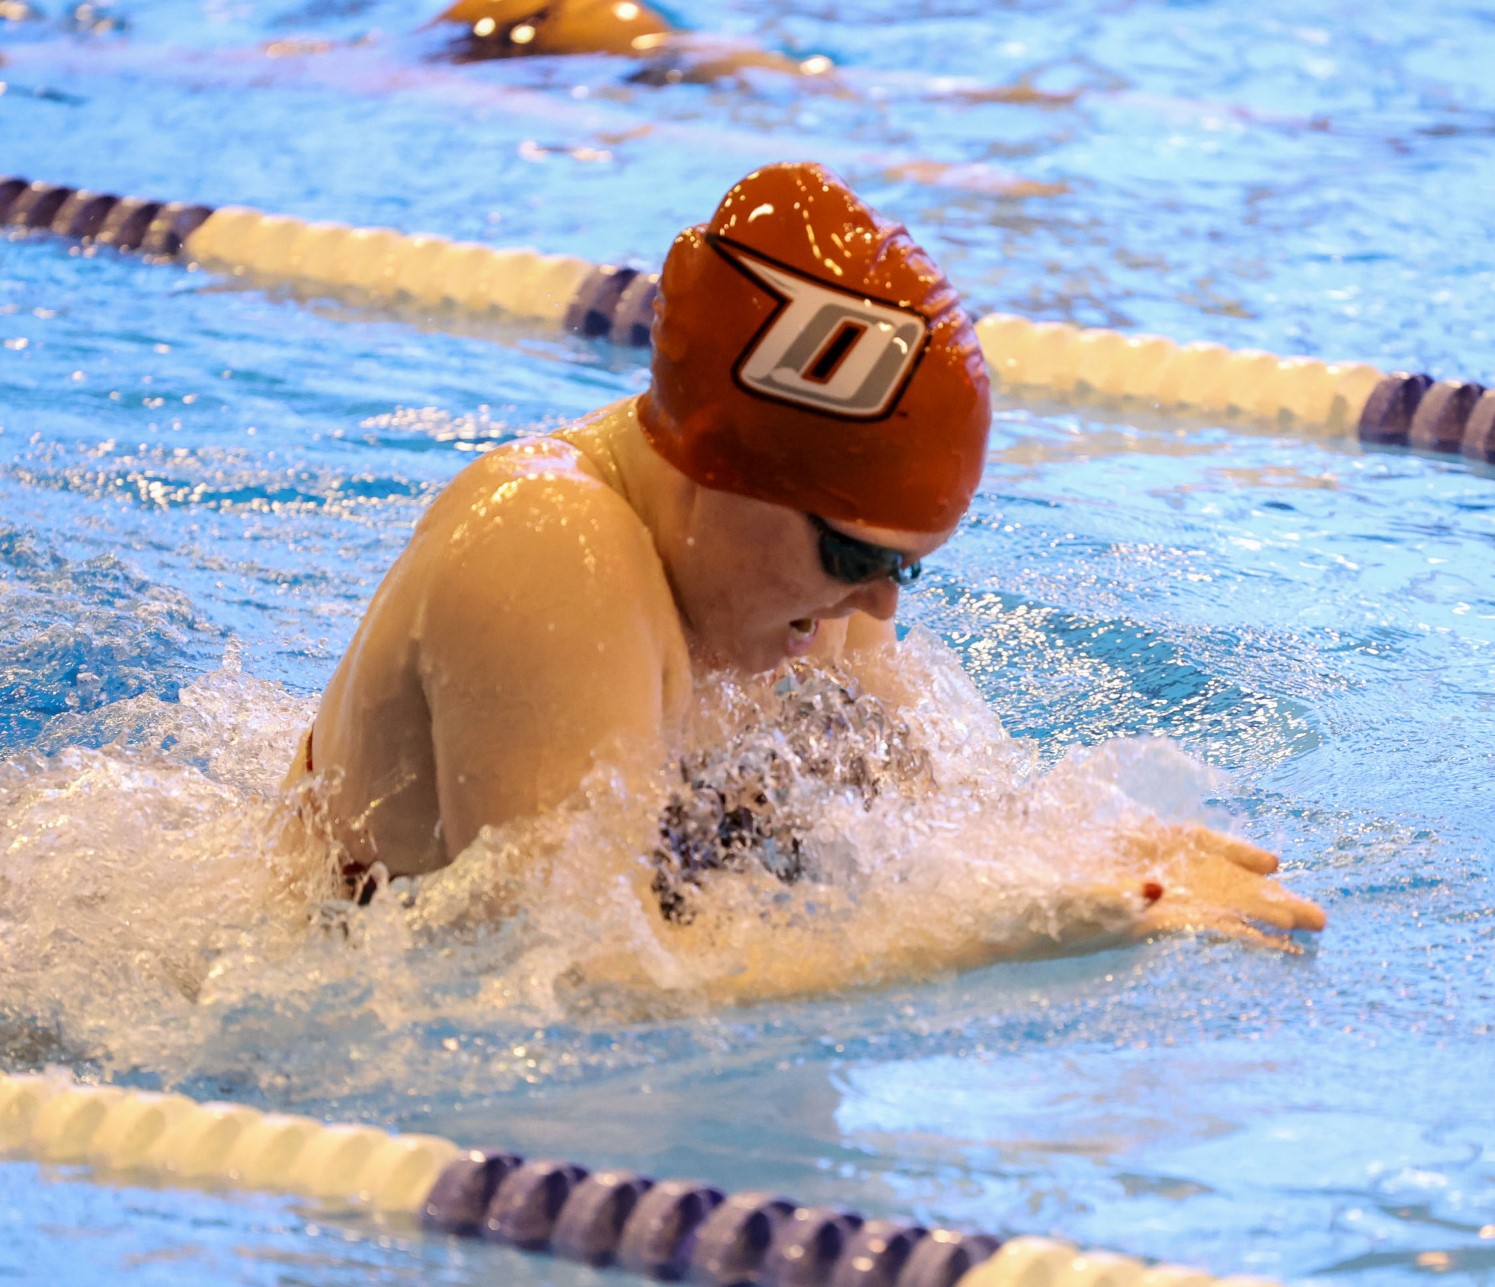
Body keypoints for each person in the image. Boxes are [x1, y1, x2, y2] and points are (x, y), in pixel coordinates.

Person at [288, 161, 1323, 989]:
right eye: (854, 557)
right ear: (716, 474)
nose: (873, 604)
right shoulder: (549, 549)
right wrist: (979, 941)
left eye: (901, 573)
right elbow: (572, 978)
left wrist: (1080, 866)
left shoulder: (808, 601)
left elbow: (925, 819)